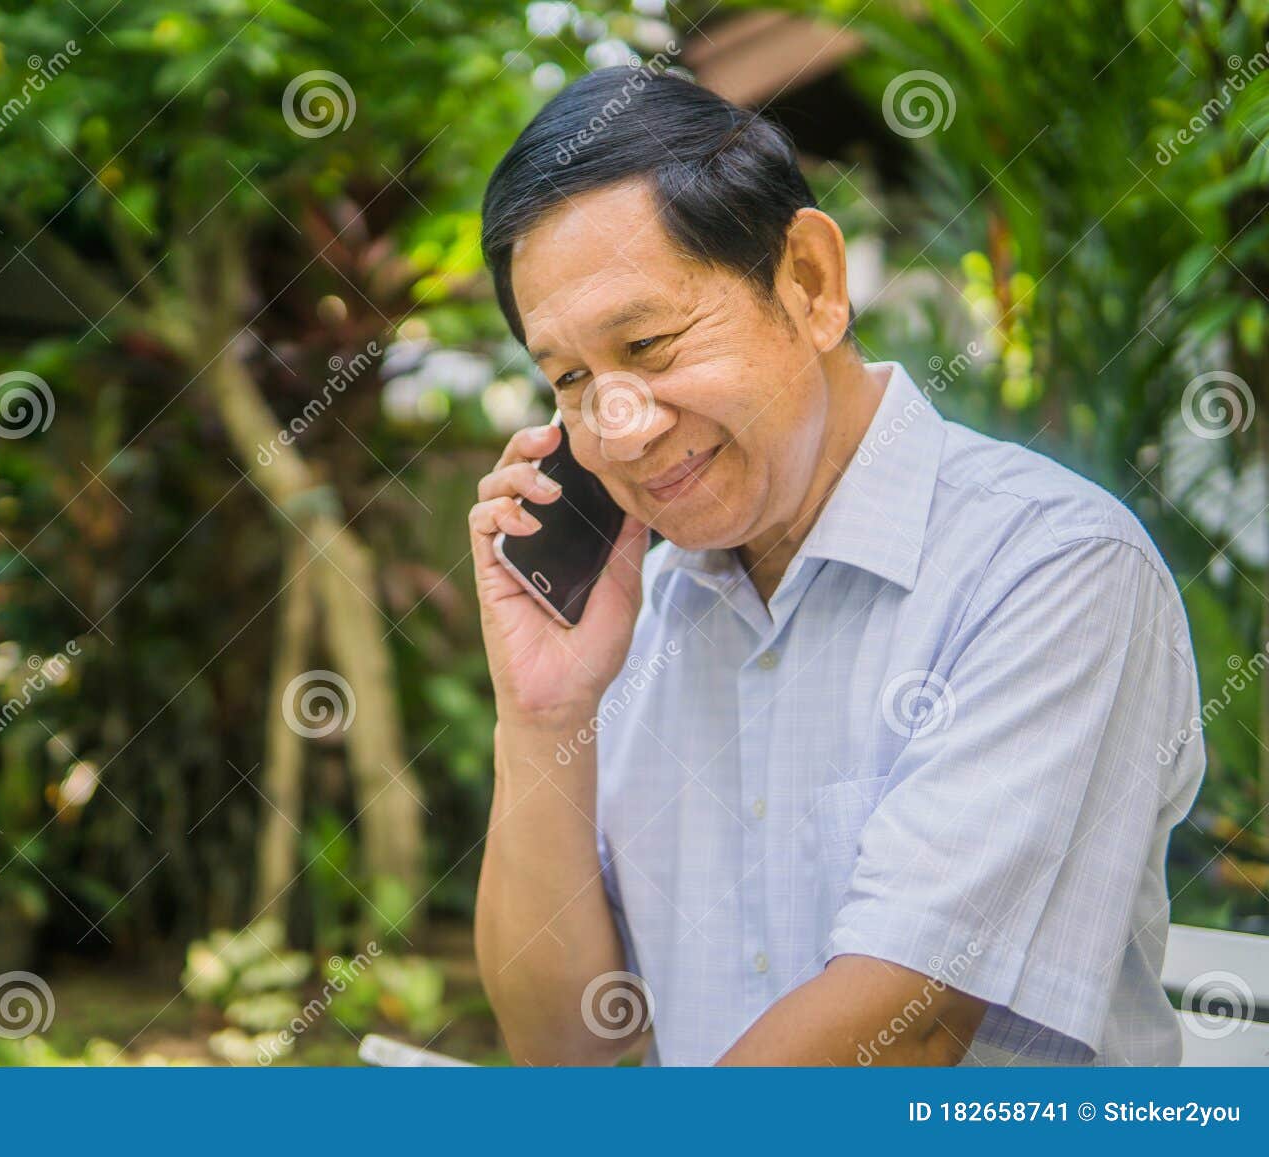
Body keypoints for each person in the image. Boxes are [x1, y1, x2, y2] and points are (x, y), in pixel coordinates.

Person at [467, 67, 1205, 1066]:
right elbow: (563, 1048)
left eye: (647, 343)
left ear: (810, 283)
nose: (619, 426)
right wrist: (543, 716)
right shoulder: (632, 617)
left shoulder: (1050, 566)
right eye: (569, 379)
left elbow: (906, 1027)